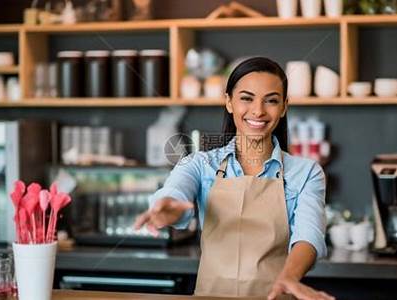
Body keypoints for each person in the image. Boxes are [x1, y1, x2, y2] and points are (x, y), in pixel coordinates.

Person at [134, 57, 334, 300]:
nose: (258, 110)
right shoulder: (199, 164)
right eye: (246, 98)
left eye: (271, 100)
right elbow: (175, 194)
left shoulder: (306, 172)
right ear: (228, 102)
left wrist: (289, 277)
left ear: (284, 107)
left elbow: (309, 235)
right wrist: (167, 208)